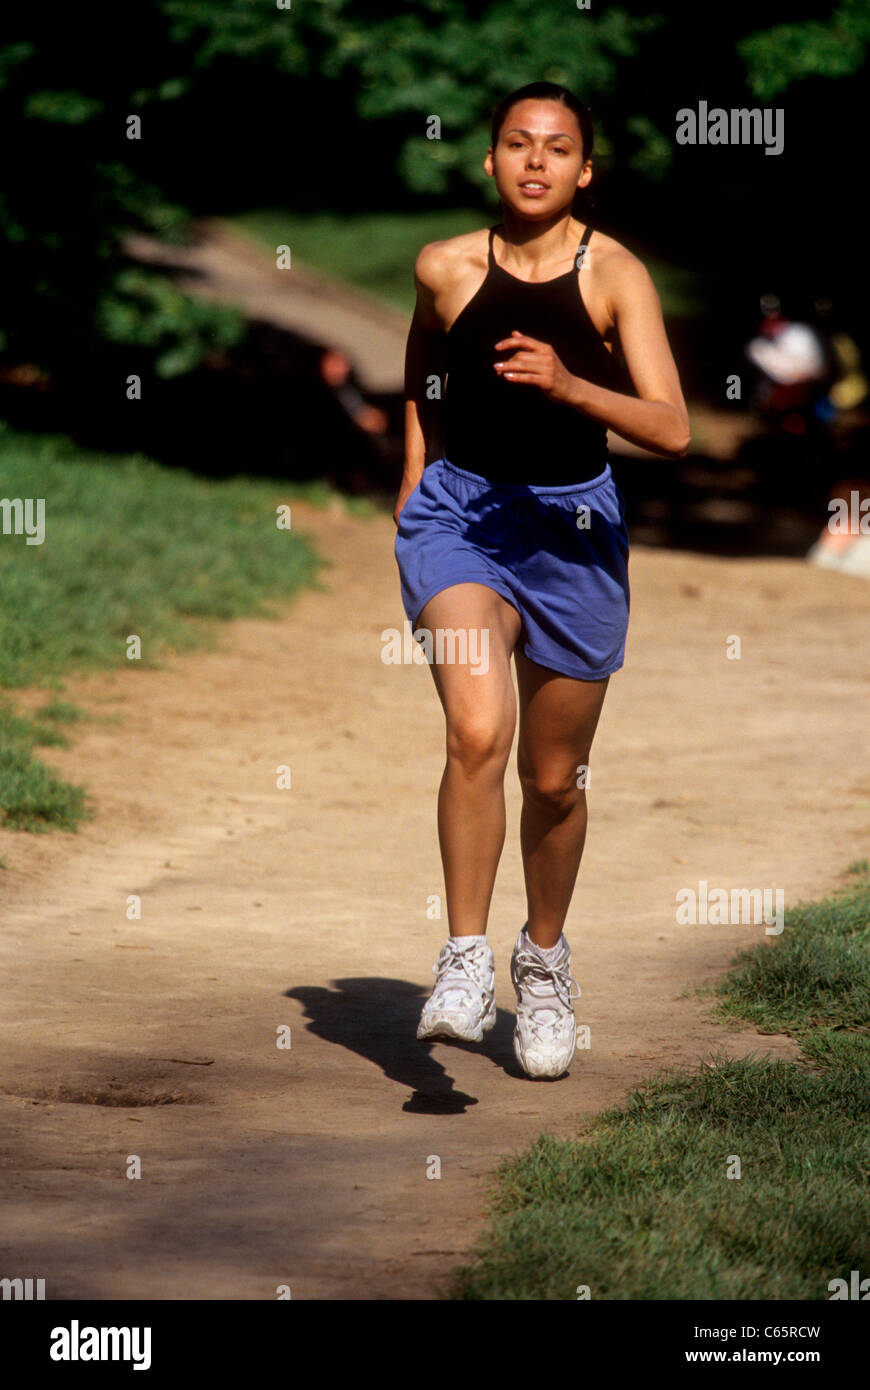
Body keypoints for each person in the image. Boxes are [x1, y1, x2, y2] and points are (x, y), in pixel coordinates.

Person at [393, 82, 690, 1079]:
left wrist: (570, 384)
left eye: (557, 149)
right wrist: (412, 476)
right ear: (488, 161)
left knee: (554, 782)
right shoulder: (444, 267)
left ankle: (545, 961)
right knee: (478, 729)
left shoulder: (614, 277)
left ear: (585, 171)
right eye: (516, 144)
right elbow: (425, 360)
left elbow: (673, 427)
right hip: (463, 522)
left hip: (573, 530)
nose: (535, 161)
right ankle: (465, 960)